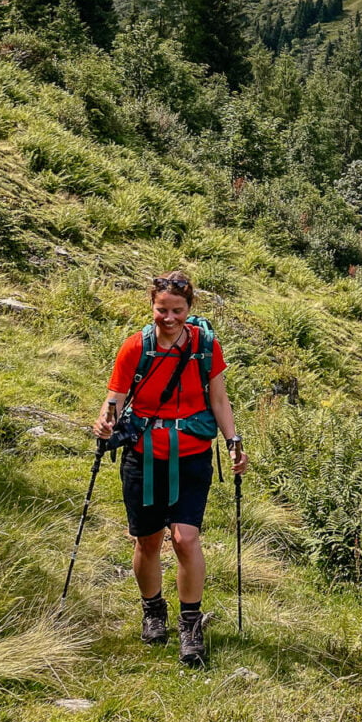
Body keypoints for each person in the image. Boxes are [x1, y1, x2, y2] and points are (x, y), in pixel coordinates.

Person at [94, 271, 247, 666]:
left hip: (192, 455)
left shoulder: (205, 347)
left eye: (177, 310)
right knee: (146, 540)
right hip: (142, 456)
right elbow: (115, 398)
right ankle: (153, 611)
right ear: (152, 307)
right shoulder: (135, 347)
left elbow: (219, 400)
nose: (169, 317)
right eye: (162, 309)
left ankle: (190, 625)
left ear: (189, 309)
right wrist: (104, 422)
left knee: (184, 539)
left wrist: (233, 442)